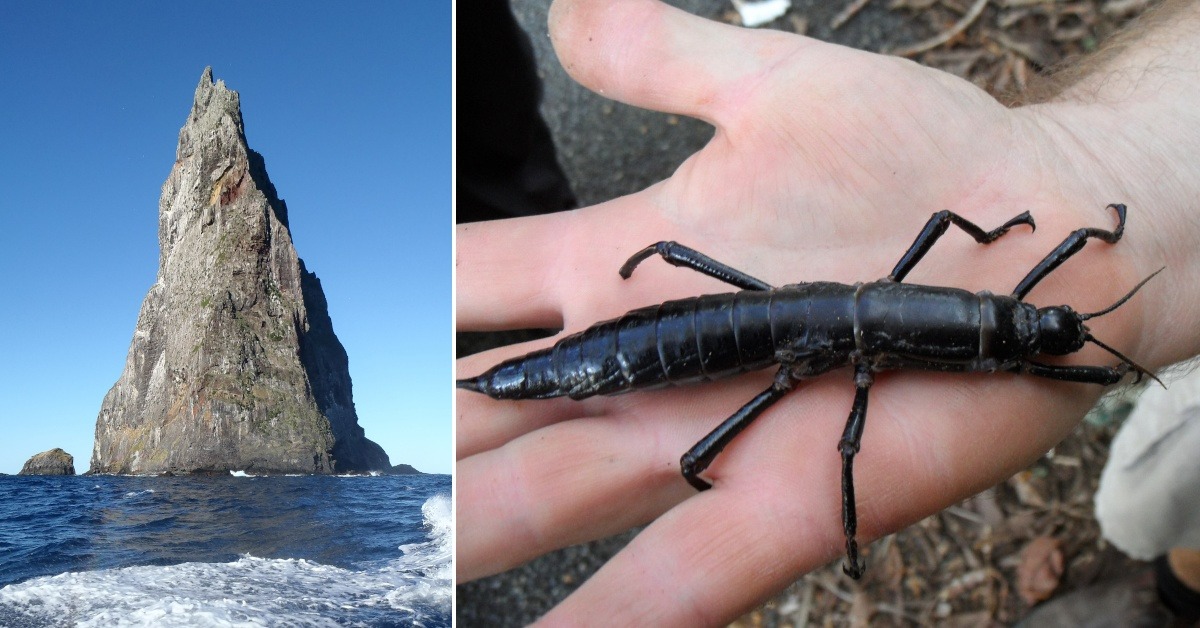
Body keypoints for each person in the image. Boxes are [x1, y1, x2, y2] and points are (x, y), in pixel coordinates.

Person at [456, 0, 1200, 623]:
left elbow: (1008, 247)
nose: (1038, 331)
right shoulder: (974, 345)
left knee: (706, 440)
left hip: (757, 326)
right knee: (726, 451)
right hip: (696, 341)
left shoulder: (966, 317)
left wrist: (1114, 188)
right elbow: (860, 442)